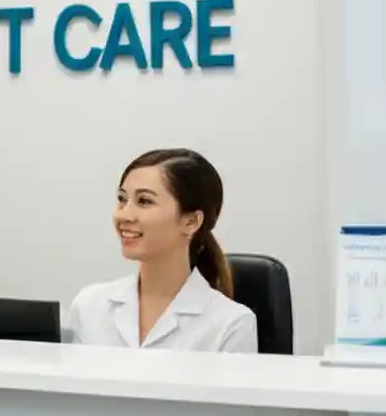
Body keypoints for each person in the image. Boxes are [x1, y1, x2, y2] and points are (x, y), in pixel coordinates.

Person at [68, 148, 257, 353]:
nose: (124, 215)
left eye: (145, 201)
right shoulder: (89, 306)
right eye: (122, 199)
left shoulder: (231, 324)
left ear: (191, 222)